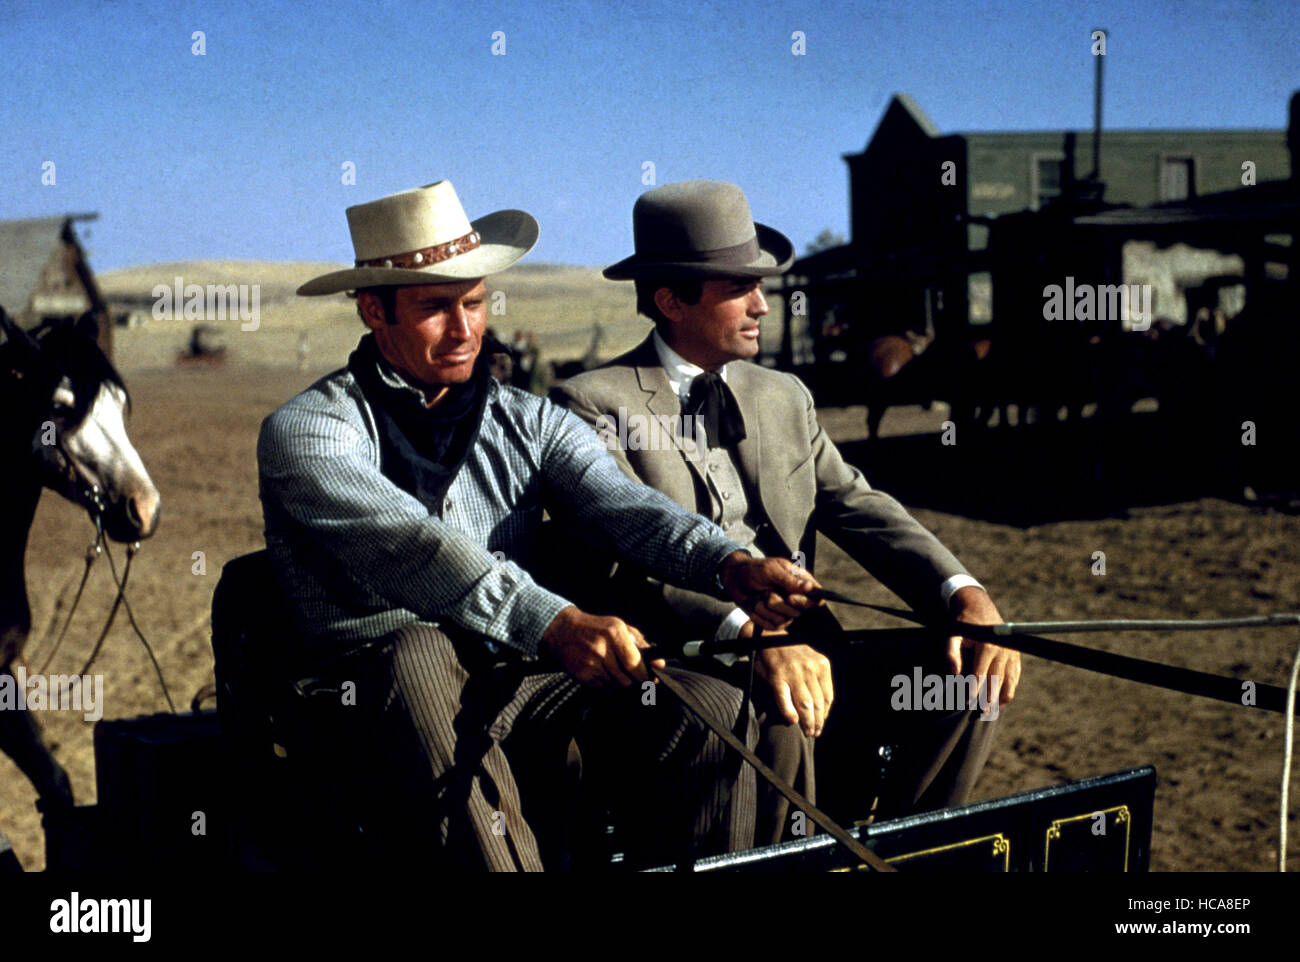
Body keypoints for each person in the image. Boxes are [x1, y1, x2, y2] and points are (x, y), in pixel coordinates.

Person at [257, 180, 819, 871]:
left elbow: (621, 505)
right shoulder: (308, 431)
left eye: (474, 302)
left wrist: (729, 564)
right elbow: (412, 545)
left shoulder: (529, 420)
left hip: (513, 673)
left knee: (710, 707)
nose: (466, 330)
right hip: (366, 695)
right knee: (419, 651)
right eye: (436, 308)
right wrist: (556, 624)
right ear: (374, 310)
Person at [551, 180, 1021, 834]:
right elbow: (629, 555)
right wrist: (751, 635)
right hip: (687, 659)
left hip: (813, 643)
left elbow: (858, 504)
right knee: (782, 712)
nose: (762, 306)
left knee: (968, 682)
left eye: (761, 287)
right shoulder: (591, 402)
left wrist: (960, 592)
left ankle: (903, 853)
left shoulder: (784, 395)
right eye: (740, 287)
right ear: (671, 300)